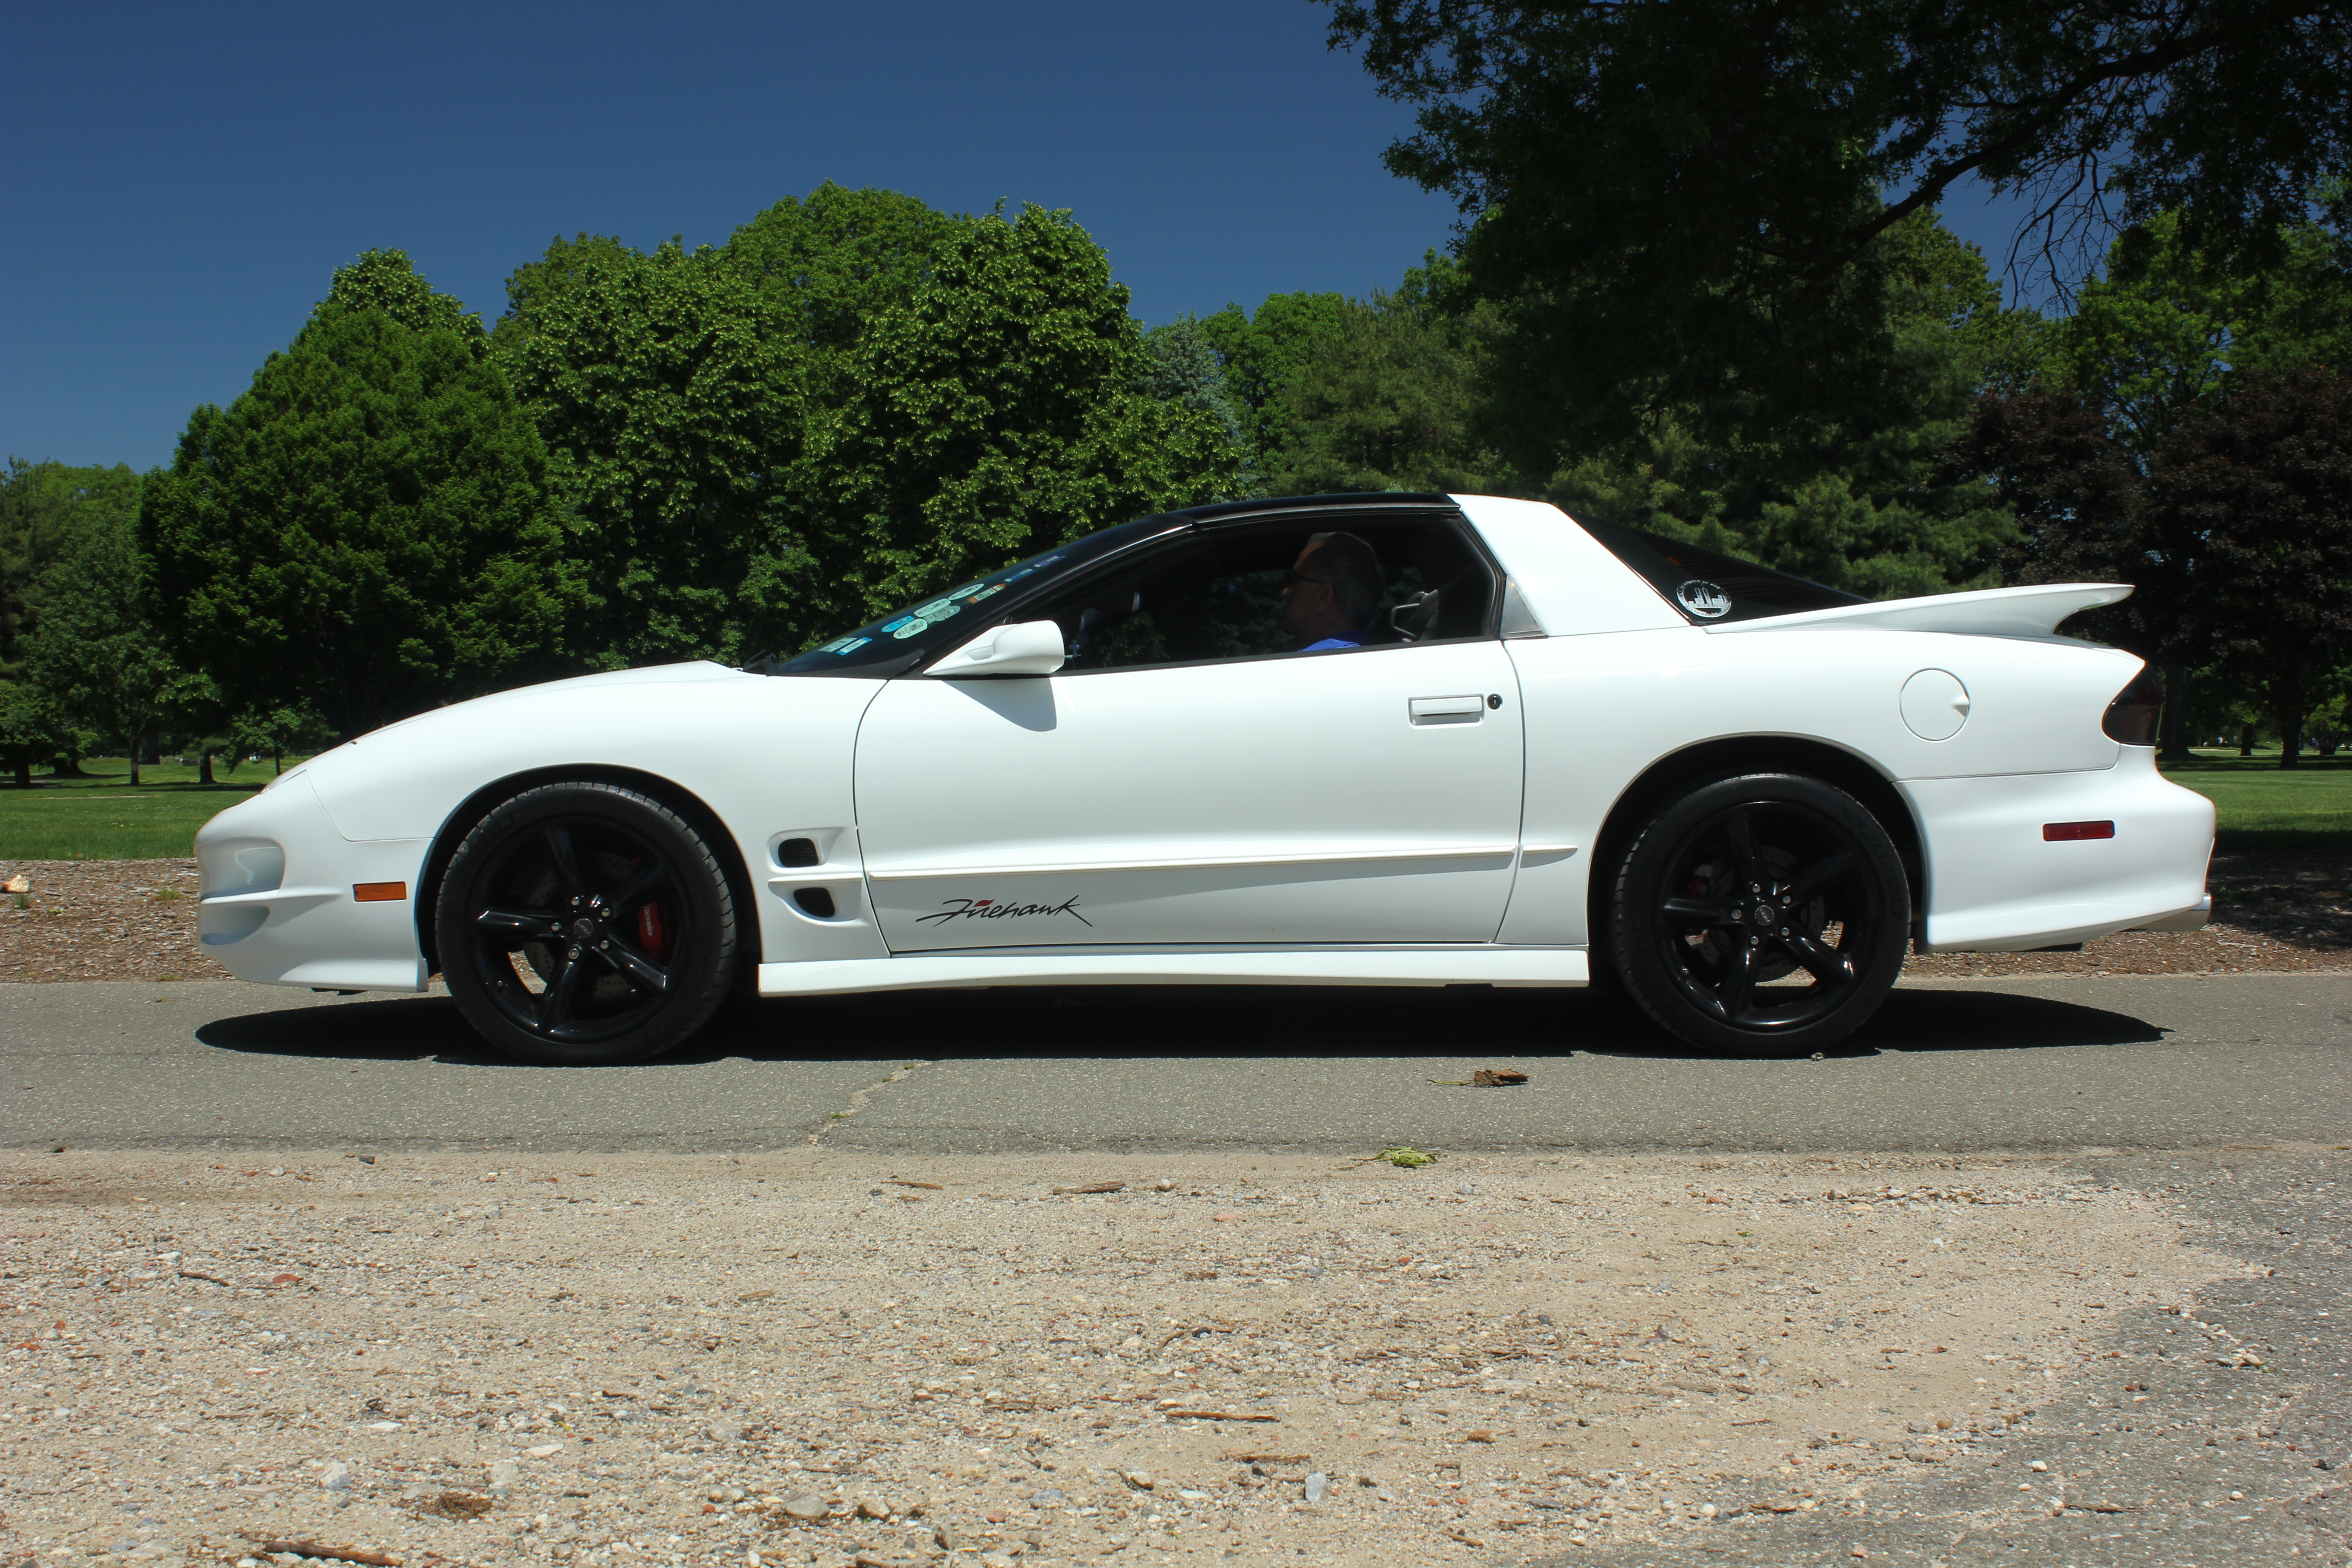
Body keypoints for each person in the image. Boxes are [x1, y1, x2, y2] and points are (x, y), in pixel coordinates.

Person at [1281, 531, 1383, 651]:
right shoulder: (1362, 657)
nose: (1284, 592)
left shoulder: (1320, 664)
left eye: (1294, 580)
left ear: (1323, 597)